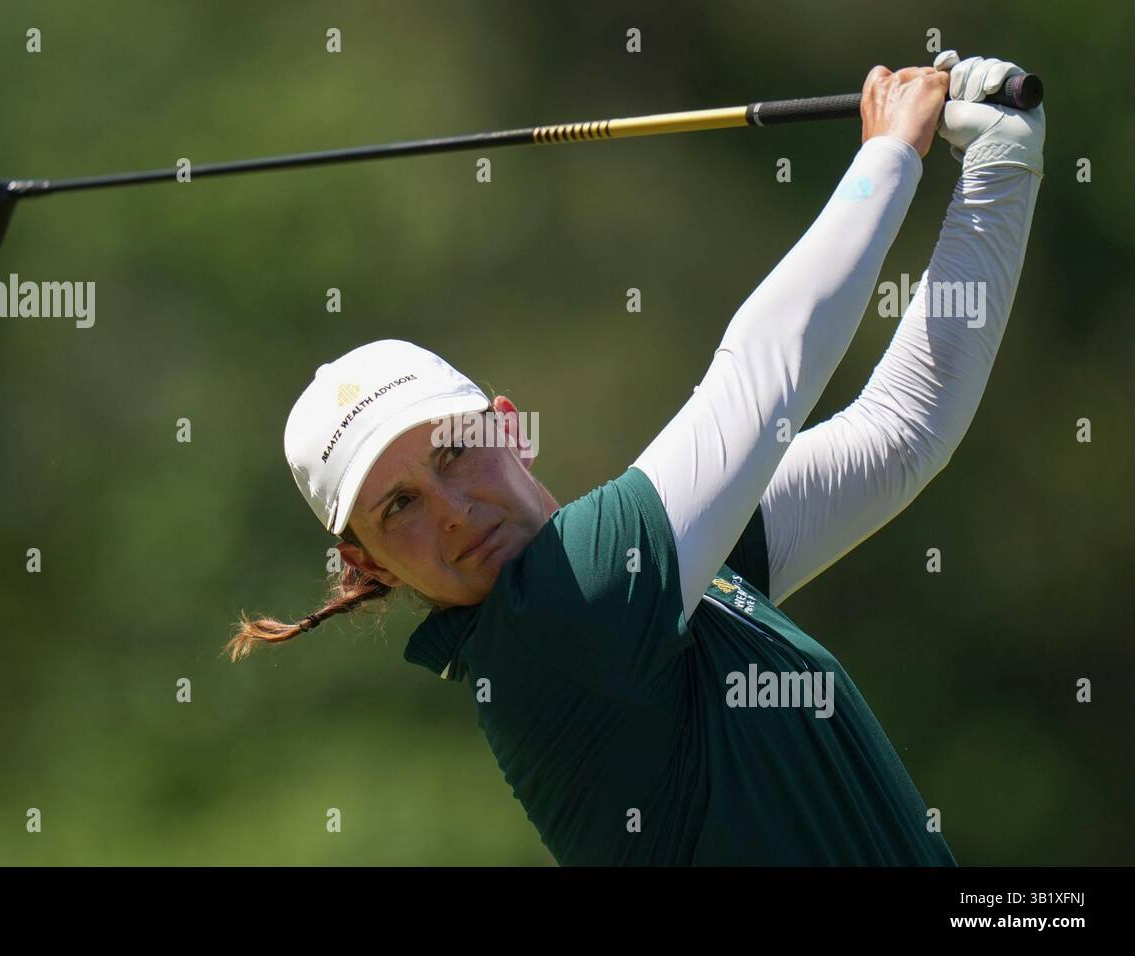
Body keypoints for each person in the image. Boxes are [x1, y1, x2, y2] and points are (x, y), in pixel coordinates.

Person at [228, 52, 1045, 865]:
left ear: (509, 428)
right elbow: (762, 378)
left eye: (452, 453)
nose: (449, 510)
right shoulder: (559, 615)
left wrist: (1000, 172)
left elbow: (900, 432)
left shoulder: (657, 584)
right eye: (397, 507)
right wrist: (888, 156)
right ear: (368, 566)